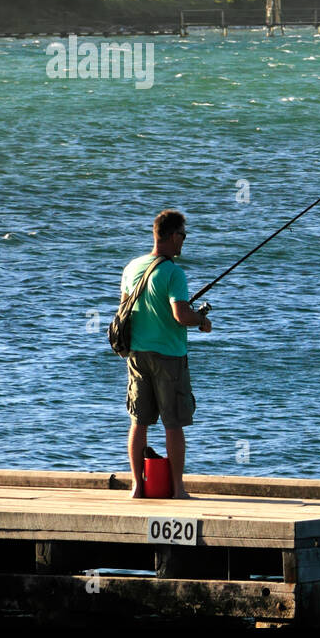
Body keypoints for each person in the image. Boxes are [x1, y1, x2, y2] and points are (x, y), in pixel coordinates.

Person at [121, 209, 211, 499]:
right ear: (173, 236)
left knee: (139, 422)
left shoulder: (132, 267)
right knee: (173, 424)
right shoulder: (174, 272)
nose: (184, 240)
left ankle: (137, 486)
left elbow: (124, 310)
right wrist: (201, 320)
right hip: (169, 357)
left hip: (137, 355)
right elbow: (180, 315)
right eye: (183, 235)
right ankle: (178, 489)